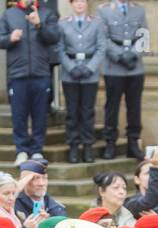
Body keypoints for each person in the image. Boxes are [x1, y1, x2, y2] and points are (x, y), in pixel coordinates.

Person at [0, 0, 62, 165]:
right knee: (19, 115)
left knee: (40, 114)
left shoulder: (46, 13)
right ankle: (22, 150)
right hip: (18, 74)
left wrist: (39, 25)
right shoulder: (9, 14)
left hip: (41, 73)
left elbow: (54, 37)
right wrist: (10, 38)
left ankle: (37, 150)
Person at [98, 0, 146, 161]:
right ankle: (110, 142)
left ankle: (133, 143)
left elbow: (144, 34)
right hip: (113, 66)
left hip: (135, 66)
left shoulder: (139, 10)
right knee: (112, 106)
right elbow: (103, 38)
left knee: (134, 106)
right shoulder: (103, 10)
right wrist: (119, 56)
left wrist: (133, 55)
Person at [58, 0, 102, 164]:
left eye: (82, 1)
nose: (79, 5)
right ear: (71, 4)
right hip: (71, 74)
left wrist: (90, 68)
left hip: (90, 73)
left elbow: (101, 47)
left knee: (88, 111)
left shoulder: (96, 23)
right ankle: (73, 146)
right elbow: (59, 48)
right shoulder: (63, 24)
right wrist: (70, 67)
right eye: (76, 1)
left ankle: (88, 146)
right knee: (72, 112)